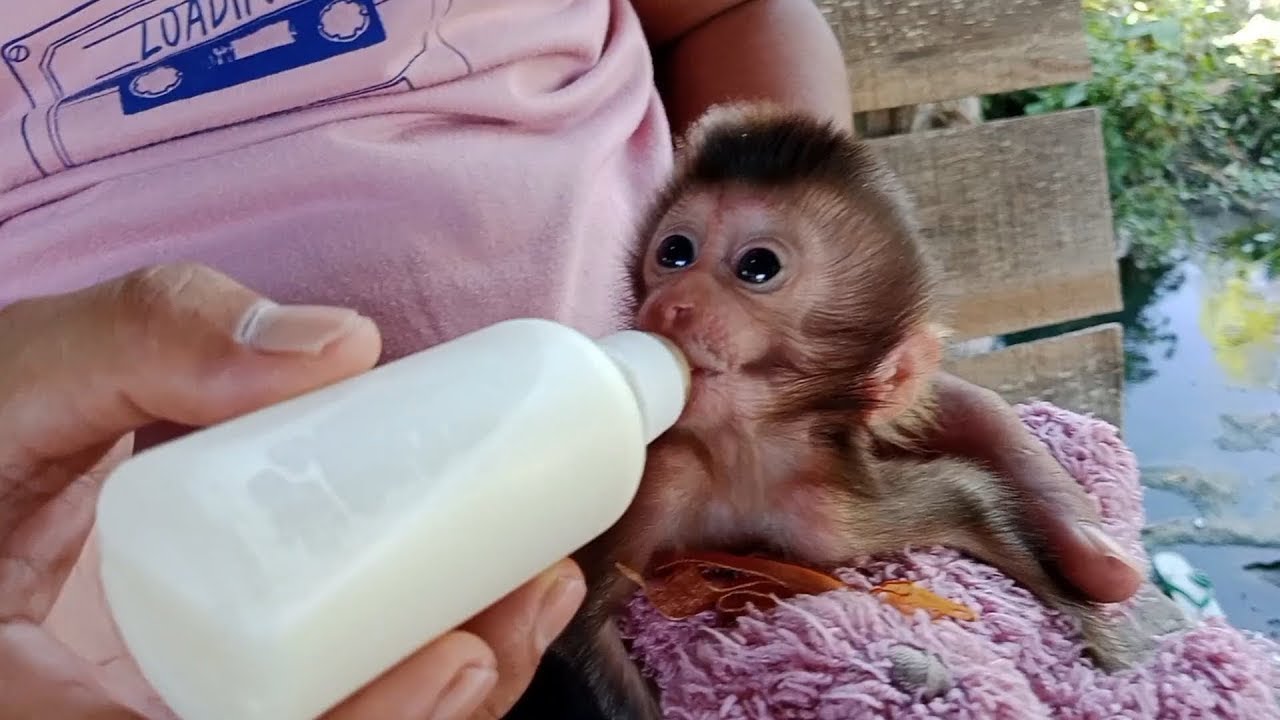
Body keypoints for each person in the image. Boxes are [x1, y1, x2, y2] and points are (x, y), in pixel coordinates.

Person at [0, 1, 1144, 717]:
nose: (680, 295)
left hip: (661, 485)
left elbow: (727, 10)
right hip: (83, 597)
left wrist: (813, 346)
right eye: (679, 259)